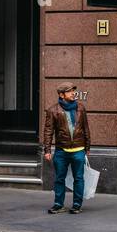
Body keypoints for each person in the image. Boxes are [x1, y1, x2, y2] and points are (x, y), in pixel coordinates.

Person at [43, 82, 91, 214]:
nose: (73, 93)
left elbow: (85, 128)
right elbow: (48, 131)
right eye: (70, 92)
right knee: (59, 178)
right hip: (61, 151)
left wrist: (87, 147)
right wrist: (47, 150)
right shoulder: (53, 110)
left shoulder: (80, 108)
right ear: (61, 94)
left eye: (73, 91)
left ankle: (77, 205)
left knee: (79, 178)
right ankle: (58, 204)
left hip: (78, 150)